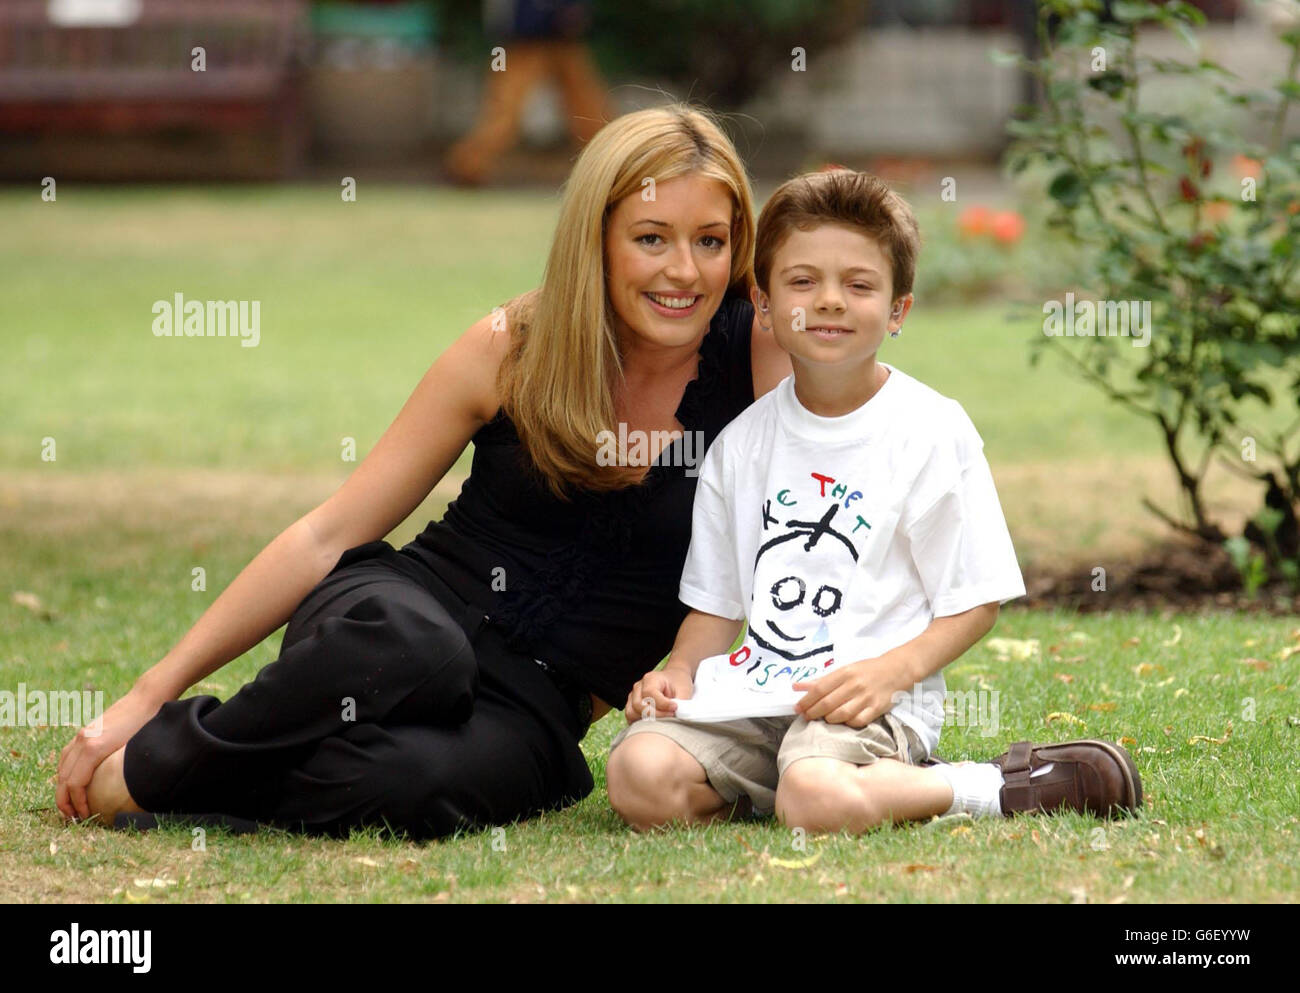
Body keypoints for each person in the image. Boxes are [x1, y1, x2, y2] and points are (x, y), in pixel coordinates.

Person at [55, 104, 794, 839]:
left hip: (531, 705)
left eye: (711, 241)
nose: (685, 271)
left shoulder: (756, 358)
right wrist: (148, 693)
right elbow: (327, 534)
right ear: (594, 241)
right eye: (651, 238)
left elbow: (855, 449)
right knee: (417, 647)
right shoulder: (513, 345)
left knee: (407, 783)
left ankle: (217, 783)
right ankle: (157, 763)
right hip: (391, 617)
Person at [606, 170, 1143, 833]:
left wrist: (890, 674)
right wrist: (679, 672)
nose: (829, 301)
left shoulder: (929, 431)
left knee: (815, 799)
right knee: (638, 776)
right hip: (754, 697)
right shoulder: (740, 445)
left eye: (859, 285)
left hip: (875, 699)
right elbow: (716, 606)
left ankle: (985, 784)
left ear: (898, 310)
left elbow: (976, 599)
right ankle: (799, 781)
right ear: (764, 304)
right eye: (803, 282)